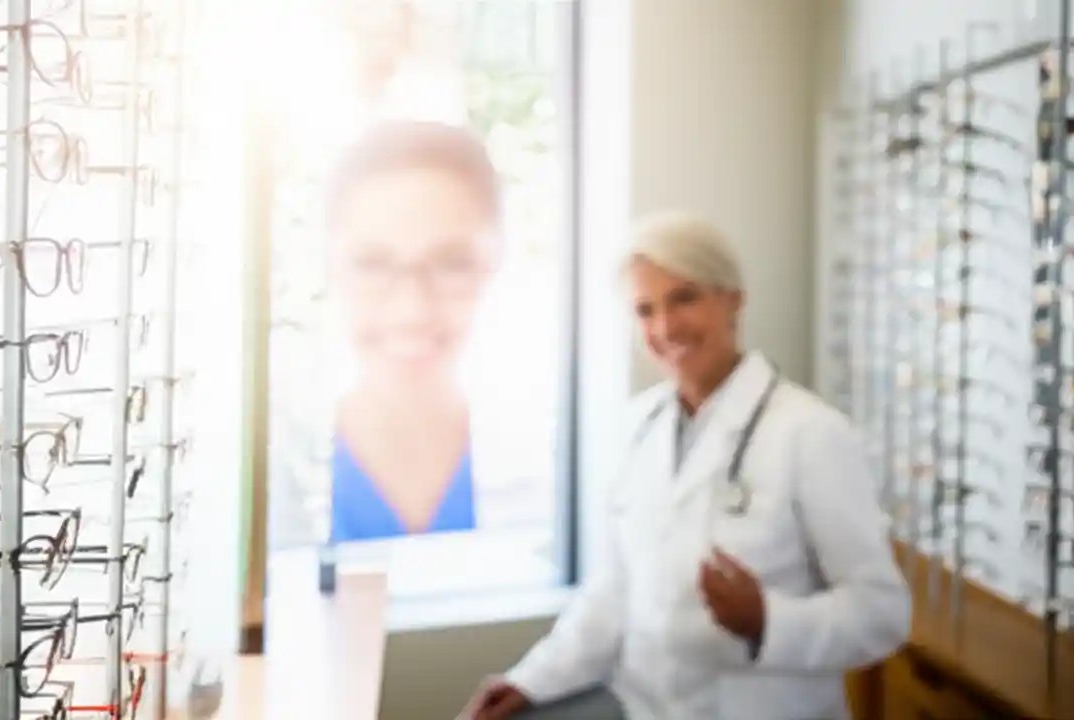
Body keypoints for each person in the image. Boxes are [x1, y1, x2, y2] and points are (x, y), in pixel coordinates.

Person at [460, 213, 911, 720]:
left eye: (684, 299)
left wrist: (767, 621)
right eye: (645, 310)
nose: (665, 327)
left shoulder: (811, 433)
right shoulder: (637, 427)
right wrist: (529, 680)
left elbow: (883, 614)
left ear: (733, 298)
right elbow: (613, 593)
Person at [319, 120, 529, 543]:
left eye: (452, 263)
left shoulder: (559, 463)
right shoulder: (255, 468)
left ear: (495, 261)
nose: (412, 309)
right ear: (328, 263)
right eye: (372, 264)